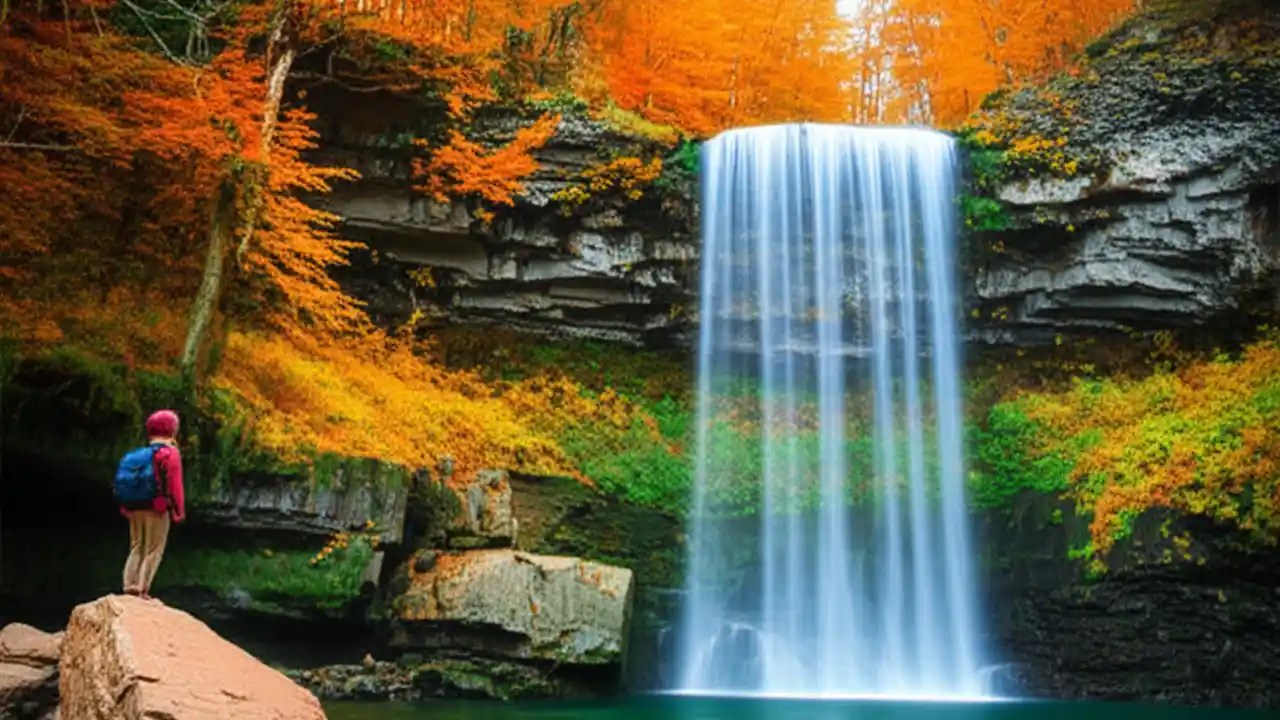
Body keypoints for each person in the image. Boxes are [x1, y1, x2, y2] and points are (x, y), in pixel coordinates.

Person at [121, 409, 186, 600]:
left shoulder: (138, 455)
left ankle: (129, 585)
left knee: (136, 545)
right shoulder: (170, 453)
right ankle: (142, 590)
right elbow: (175, 486)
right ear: (172, 430)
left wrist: (125, 507)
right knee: (154, 548)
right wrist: (178, 511)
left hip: (134, 507)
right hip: (157, 507)